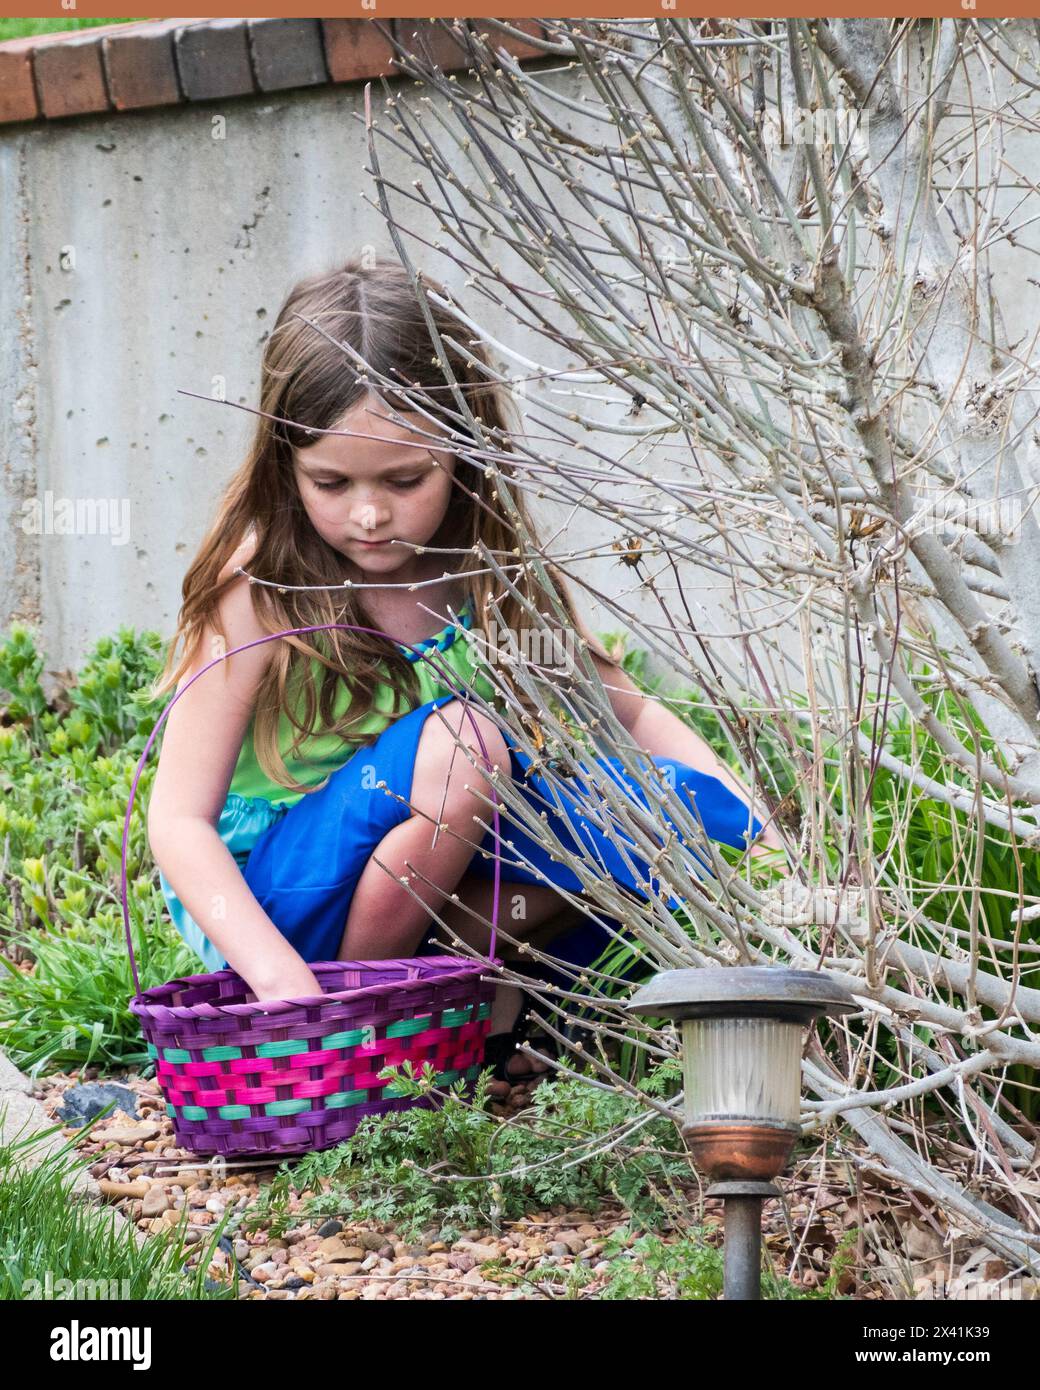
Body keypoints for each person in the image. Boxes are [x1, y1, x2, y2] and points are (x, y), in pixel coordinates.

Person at [147, 255, 784, 1088]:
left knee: (666, 815)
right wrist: (282, 985)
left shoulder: (489, 569)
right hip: (280, 912)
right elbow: (178, 824)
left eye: (406, 479)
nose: (369, 514)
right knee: (467, 745)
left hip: (420, 888)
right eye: (330, 482)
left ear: (464, 448)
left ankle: (482, 1022)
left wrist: (764, 845)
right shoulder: (263, 586)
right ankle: (354, 1035)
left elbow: (628, 717)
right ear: (283, 462)